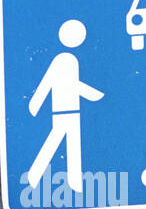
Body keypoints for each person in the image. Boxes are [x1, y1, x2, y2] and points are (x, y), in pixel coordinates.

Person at [25, 19, 104, 192]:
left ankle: (75, 182)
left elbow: (68, 84)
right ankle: (34, 175)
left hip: (74, 110)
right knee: (55, 139)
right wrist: (35, 103)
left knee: (72, 144)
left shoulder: (72, 60)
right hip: (62, 110)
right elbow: (50, 82)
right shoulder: (63, 59)